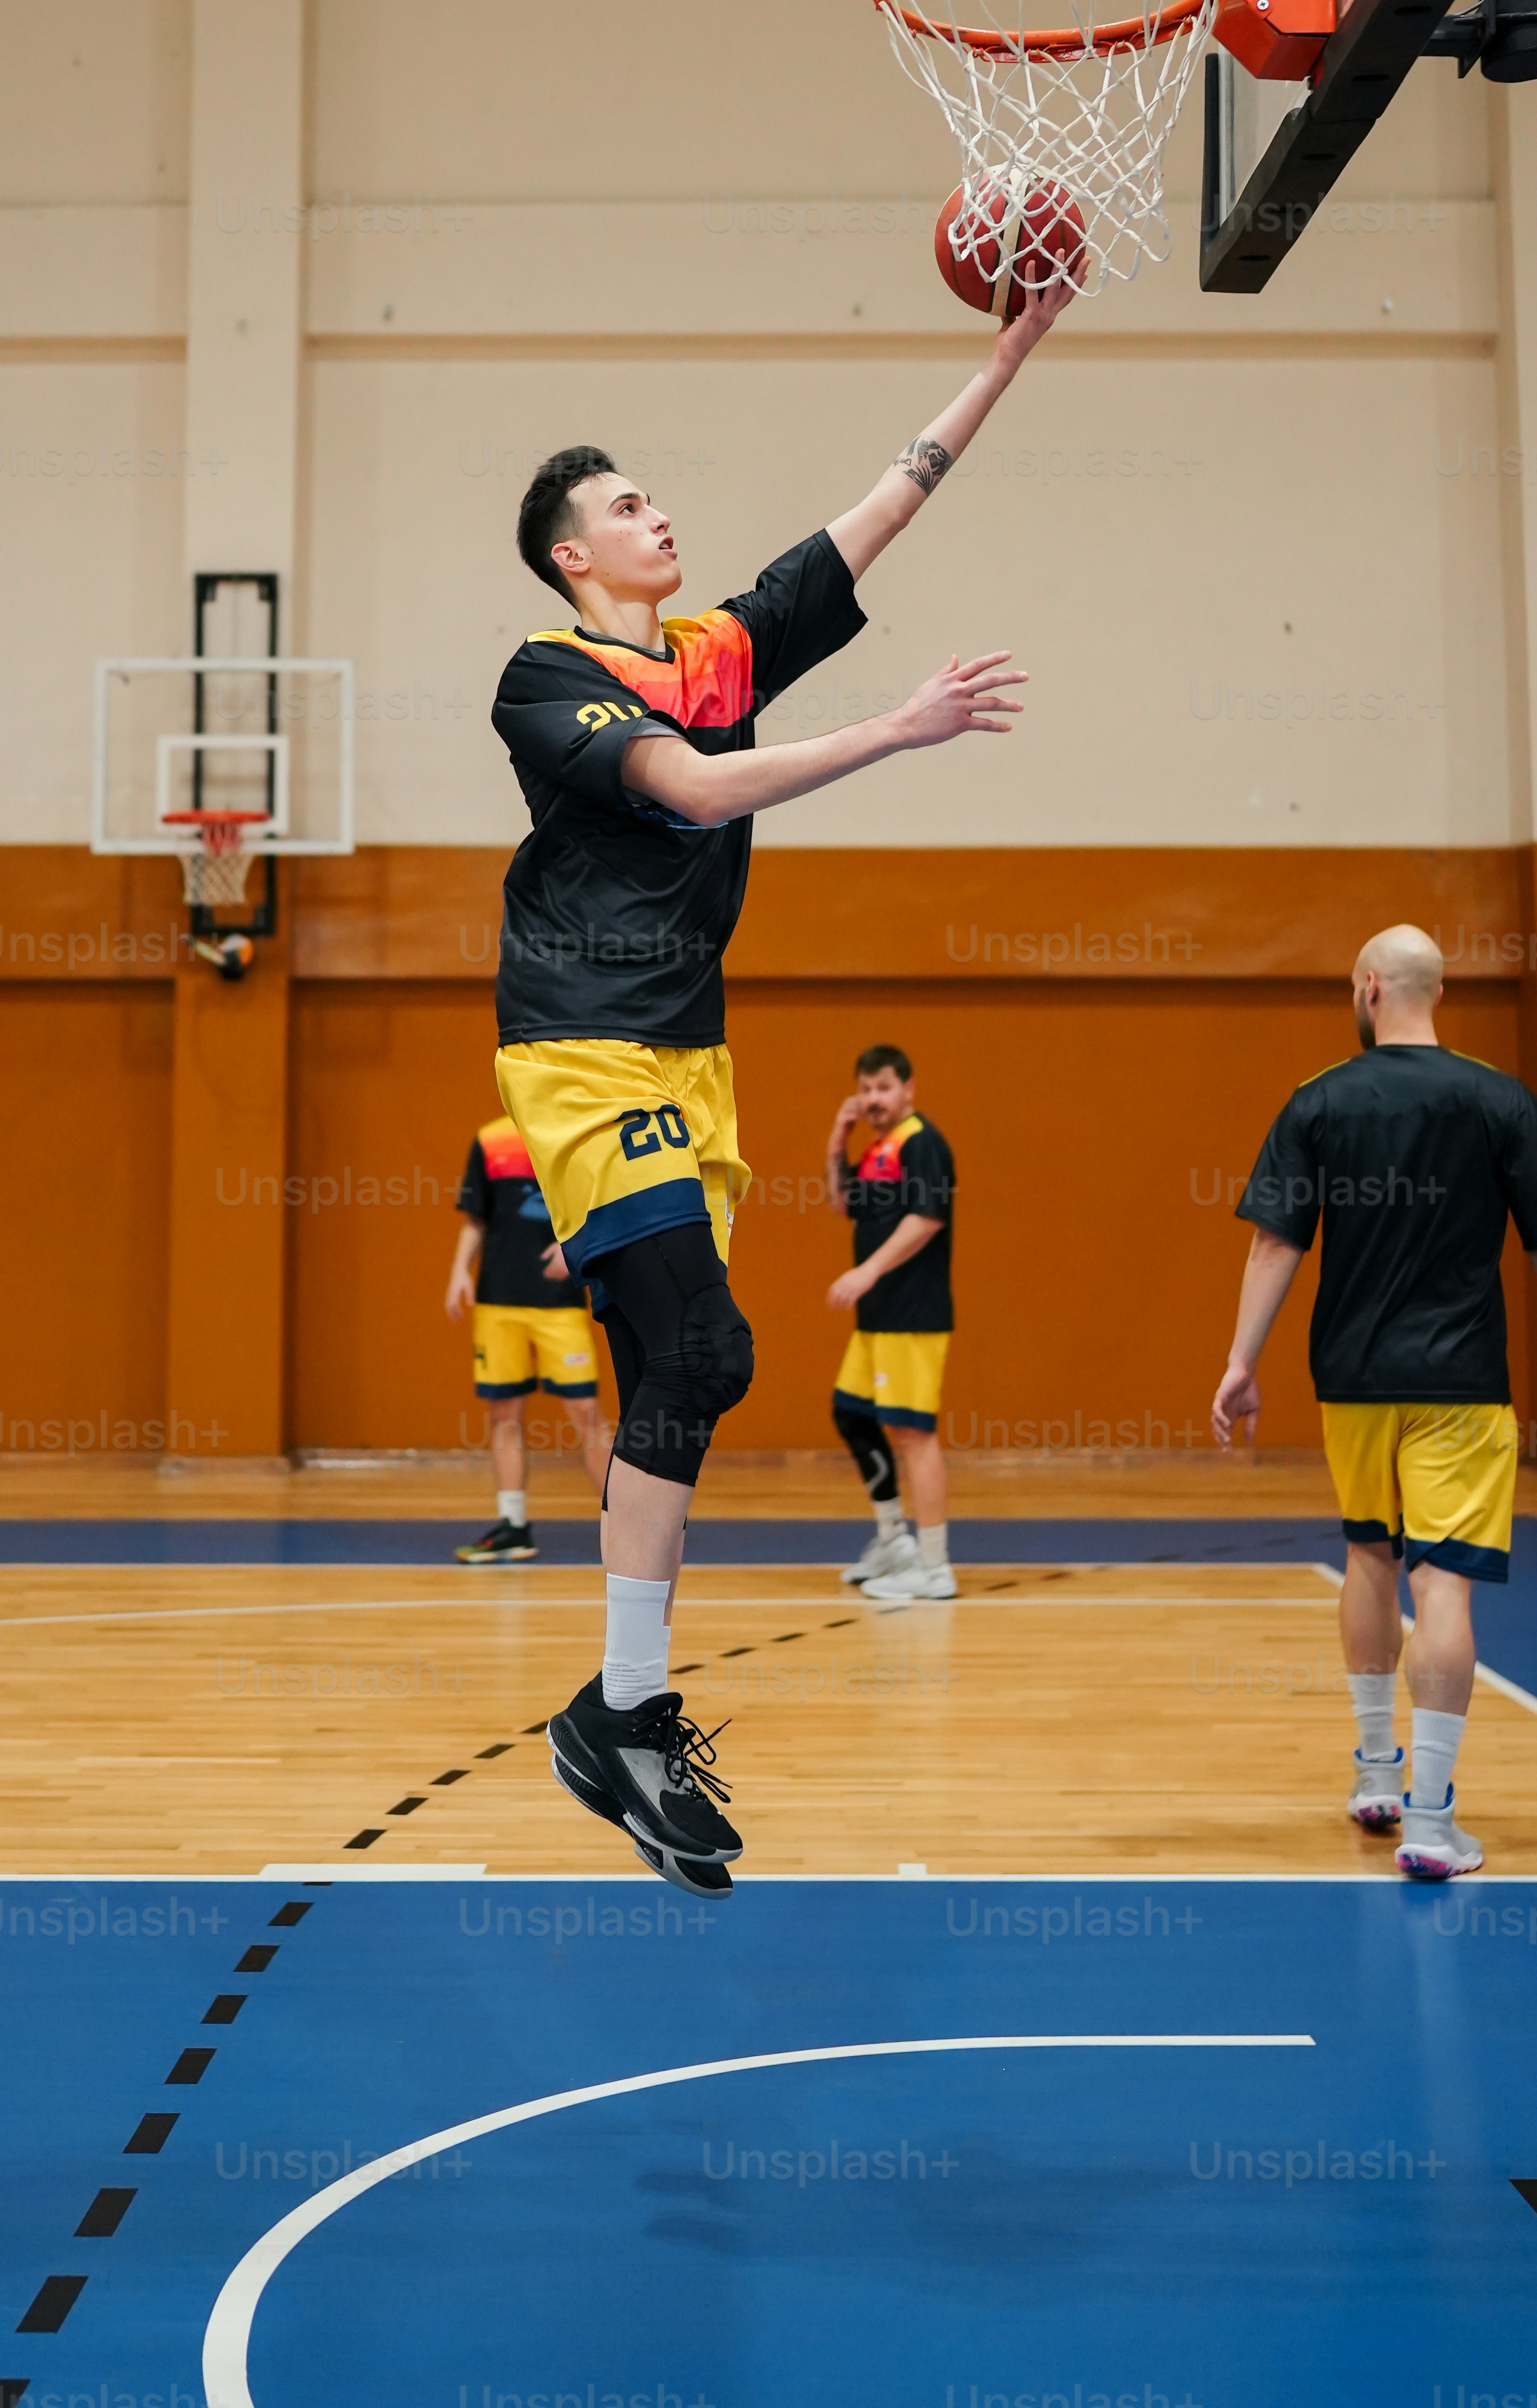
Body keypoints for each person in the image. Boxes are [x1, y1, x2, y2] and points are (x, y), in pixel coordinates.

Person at [490, 274, 1070, 1894]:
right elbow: (683, 785)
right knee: (706, 1343)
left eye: (653, 496)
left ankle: (616, 1717)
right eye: (622, 505)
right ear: (568, 554)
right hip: (581, 1037)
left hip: (688, 1049)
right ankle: (622, 1713)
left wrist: (1001, 357)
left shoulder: (722, 644)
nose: (651, 512)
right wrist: (894, 732)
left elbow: (872, 515)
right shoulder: (545, 679)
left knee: (691, 1362)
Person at [1210, 923, 1537, 1881]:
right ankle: (1431, 1822)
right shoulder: (1500, 1099)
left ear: (1365, 988)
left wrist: (1239, 1360)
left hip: (1349, 1377)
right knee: (1440, 1583)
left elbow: (1274, 1244)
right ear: (1434, 990)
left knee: (1366, 1552)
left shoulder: (1317, 1100)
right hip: (1460, 1383)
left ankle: (1372, 1773)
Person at [825, 1044, 958, 1601]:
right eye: (865, 1088)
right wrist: (838, 1138)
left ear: (907, 1089)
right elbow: (840, 1202)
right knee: (852, 1415)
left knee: (913, 1435)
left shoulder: (922, 1142)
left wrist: (868, 1271)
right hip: (876, 1321)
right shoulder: (879, 1147)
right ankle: (891, 1542)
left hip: (912, 1314)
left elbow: (928, 1216)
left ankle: (933, 1568)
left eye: (882, 1087)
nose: (872, 1098)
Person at [446, 1112, 611, 1562]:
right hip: (499, 1299)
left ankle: (627, 1518)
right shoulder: (490, 1139)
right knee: (504, 1412)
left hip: (560, 1301)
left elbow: (603, 1210)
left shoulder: (579, 1133)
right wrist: (459, 1270)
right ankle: (513, 1526)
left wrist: (574, 1247)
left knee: (586, 1410)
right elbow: (475, 1219)